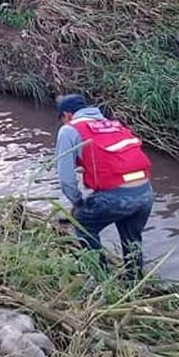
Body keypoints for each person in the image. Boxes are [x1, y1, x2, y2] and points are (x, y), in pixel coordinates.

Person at [54, 94, 155, 279]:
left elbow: (66, 179)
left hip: (118, 197)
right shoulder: (115, 125)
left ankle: (100, 279)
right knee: (132, 239)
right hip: (146, 193)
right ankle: (133, 282)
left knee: (82, 222)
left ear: (67, 115)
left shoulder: (69, 130)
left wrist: (78, 202)